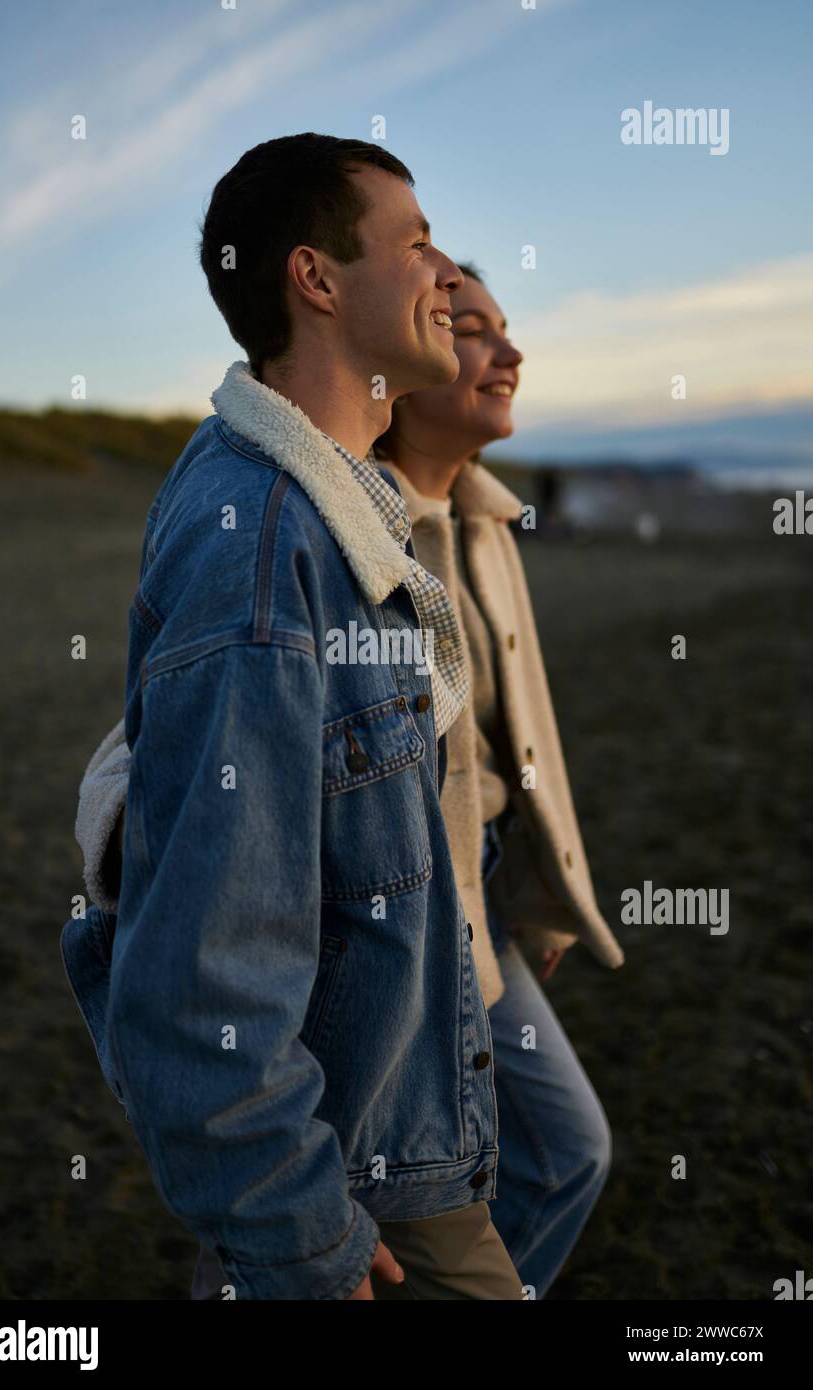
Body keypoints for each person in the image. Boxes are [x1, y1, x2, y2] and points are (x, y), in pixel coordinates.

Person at [60, 133, 524, 1301]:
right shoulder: (269, 546)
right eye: (415, 242)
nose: (445, 278)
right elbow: (202, 974)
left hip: (390, 1131)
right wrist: (298, 1232)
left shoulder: (331, 499)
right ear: (315, 280)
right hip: (344, 1177)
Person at [372, 264, 625, 1297]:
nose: (505, 353)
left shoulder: (483, 519)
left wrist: (544, 897)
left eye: (504, 329)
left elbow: (522, 738)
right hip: (401, 926)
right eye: (468, 330)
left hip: (485, 906)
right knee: (362, 1202)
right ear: (403, 362)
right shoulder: (352, 530)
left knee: (566, 1151)